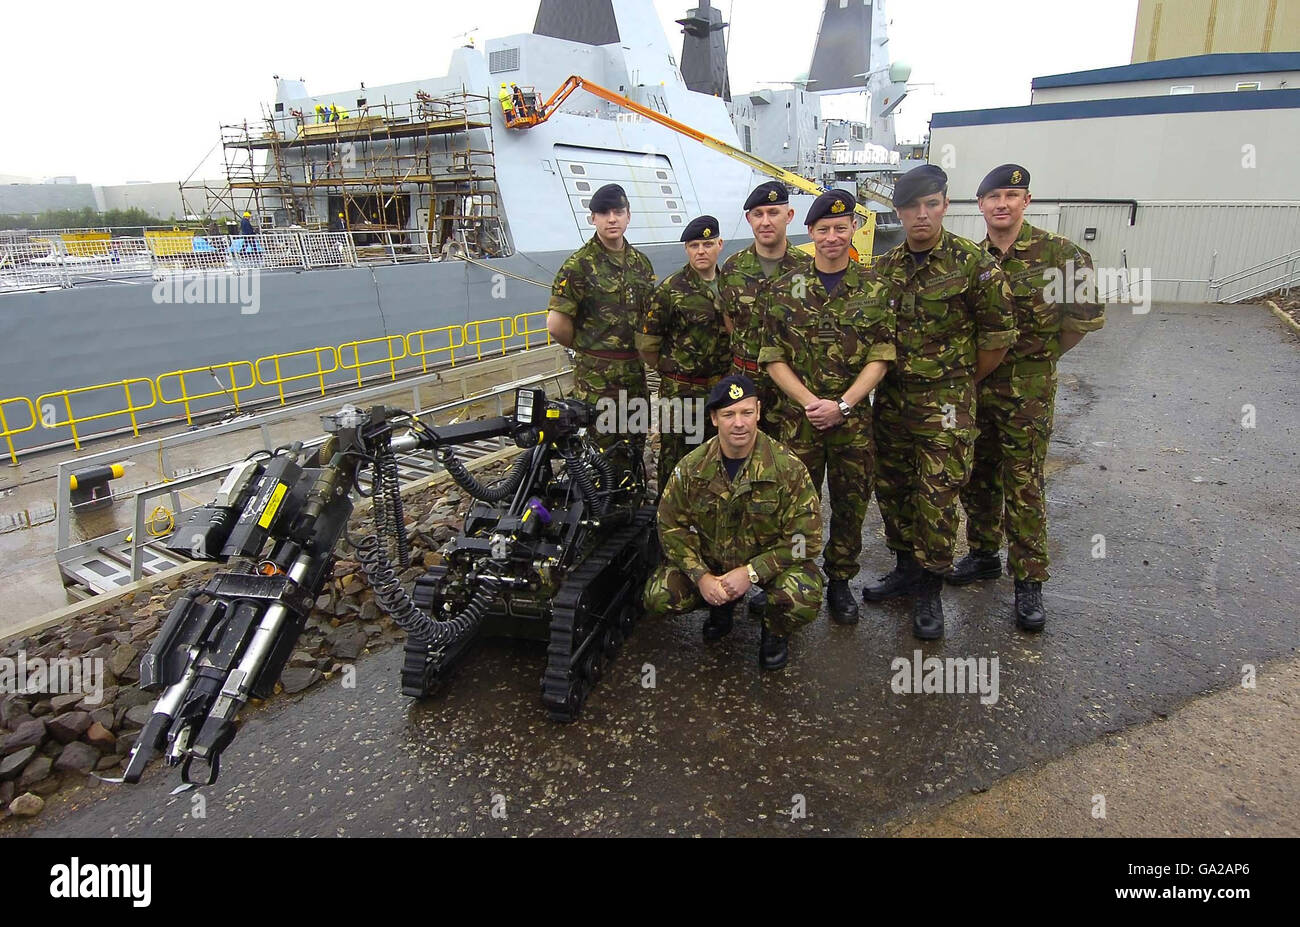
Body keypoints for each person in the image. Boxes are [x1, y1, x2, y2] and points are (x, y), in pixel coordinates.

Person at [863, 164, 1018, 640]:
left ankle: (929, 588)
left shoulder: (974, 265)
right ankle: (905, 568)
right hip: (892, 402)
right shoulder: (884, 268)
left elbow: (996, 339)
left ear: (946, 206)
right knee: (893, 488)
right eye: (911, 207)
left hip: (947, 405)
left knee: (937, 496)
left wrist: (958, 382)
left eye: (931, 204)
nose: (922, 215)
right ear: (898, 212)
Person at [949, 163, 1106, 631]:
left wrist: (1040, 358)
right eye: (993, 197)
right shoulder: (970, 260)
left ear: (1026, 201)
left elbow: (1080, 322)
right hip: (978, 385)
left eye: (1011, 196)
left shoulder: (1063, 255)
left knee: (1023, 482)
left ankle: (1029, 581)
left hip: (1028, 391)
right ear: (980, 205)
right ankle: (983, 554)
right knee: (976, 476)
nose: (1002, 204)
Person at [761, 190, 896, 625]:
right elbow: (772, 358)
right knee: (795, 505)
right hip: (799, 421)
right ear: (811, 232)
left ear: (854, 228)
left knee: (850, 503)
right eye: (824, 229)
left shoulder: (875, 288)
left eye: (841, 228)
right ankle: (793, 576)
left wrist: (843, 404)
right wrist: (811, 403)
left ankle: (840, 580)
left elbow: (881, 357)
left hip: (851, 422)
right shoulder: (786, 288)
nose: (833, 237)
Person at [644, 374, 824, 670]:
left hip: (769, 566)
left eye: (746, 412)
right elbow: (670, 526)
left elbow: (807, 540)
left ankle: (775, 630)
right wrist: (701, 576)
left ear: (758, 412)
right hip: (713, 564)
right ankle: (720, 607)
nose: (739, 423)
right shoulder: (691, 468)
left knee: (801, 595)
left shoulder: (788, 469)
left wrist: (751, 572)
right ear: (714, 418)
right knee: (660, 594)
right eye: (729, 414)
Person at [547, 183, 656, 480]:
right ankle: (603, 505)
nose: (612, 219)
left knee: (635, 444)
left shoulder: (640, 264)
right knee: (601, 454)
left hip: (634, 376)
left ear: (628, 216)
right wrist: (590, 349)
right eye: (604, 213)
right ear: (592, 218)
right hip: (598, 382)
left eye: (618, 212)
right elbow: (556, 325)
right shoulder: (579, 266)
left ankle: (632, 498)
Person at [637, 214, 731, 491]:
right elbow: (647, 344)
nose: (701, 251)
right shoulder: (670, 290)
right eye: (694, 246)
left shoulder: (731, 286)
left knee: (717, 459)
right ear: (686, 249)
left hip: (721, 392)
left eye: (707, 244)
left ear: (719, 245)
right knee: (676, 463)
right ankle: (668, 514)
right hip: (682, 393)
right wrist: (673, 372)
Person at [720, 181, 813, 437]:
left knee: (790, 453)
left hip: (791, 387)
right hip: (745, 385)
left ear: (789, 215)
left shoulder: (807, 269)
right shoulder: (732, 268)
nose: (765, 222)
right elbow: (729, 319)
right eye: (758, 214)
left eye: (773, 213)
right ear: (749, 219)